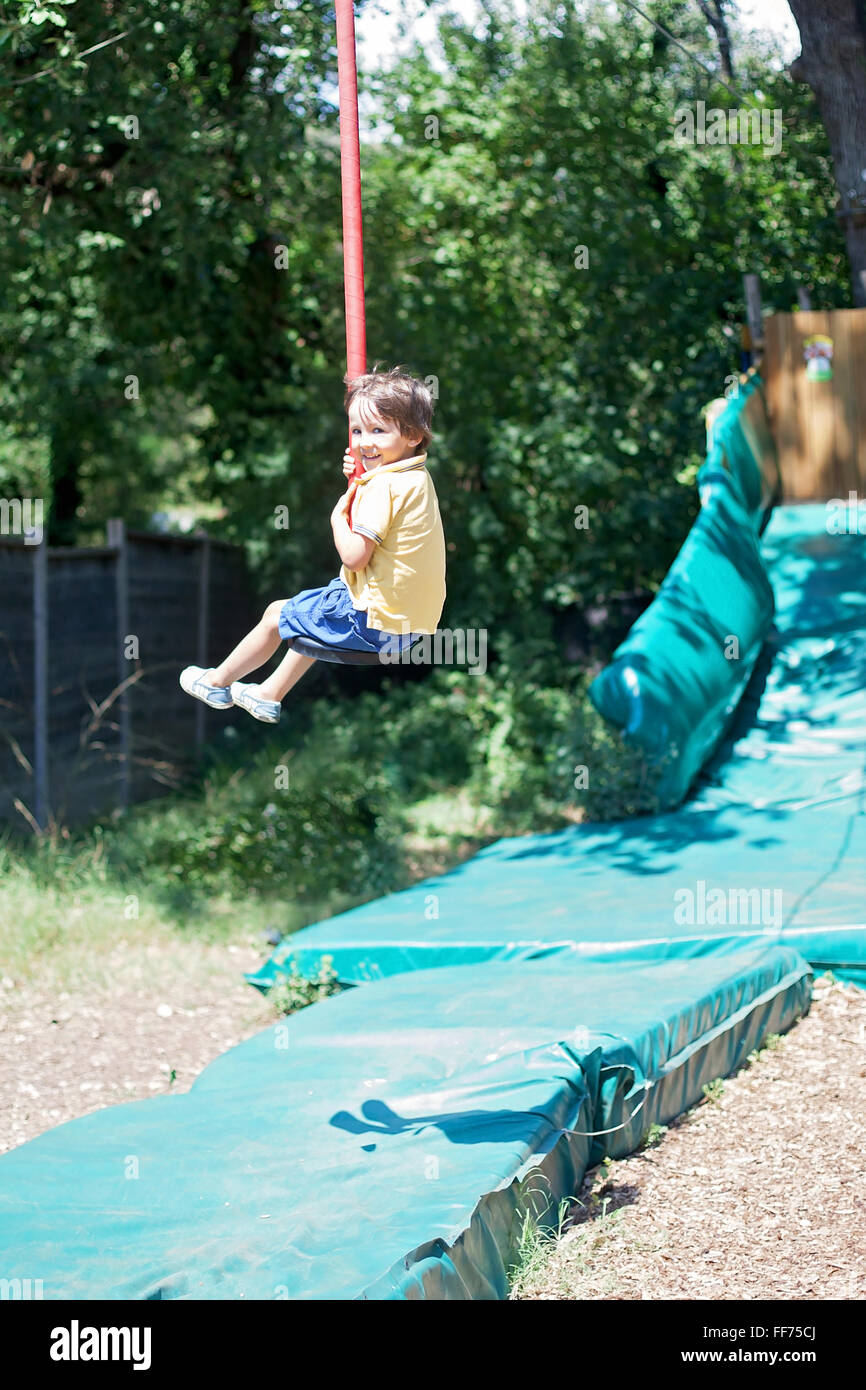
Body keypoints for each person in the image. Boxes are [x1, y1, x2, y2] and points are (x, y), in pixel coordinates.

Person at [179, 366, 446, 724]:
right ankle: (268, 693)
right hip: (411, 627)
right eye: (357, 430)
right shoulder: (416, 476)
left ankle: (216, 682)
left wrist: (338, 519)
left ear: (412, 435)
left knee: (277, 614)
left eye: (378, 431)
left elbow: (354, 558)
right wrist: (362, 476)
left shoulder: (382, 488)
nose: (365, 442)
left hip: (372, 623)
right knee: (316, 610)